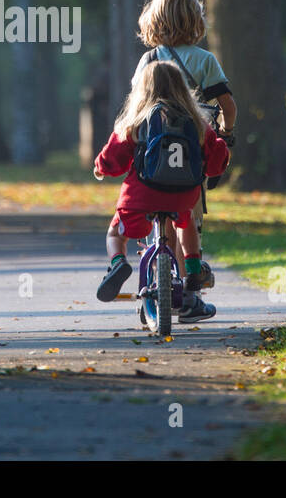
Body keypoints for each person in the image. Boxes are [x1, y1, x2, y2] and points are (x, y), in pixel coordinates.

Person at [93, 60, 231, 322]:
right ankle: (191, 268)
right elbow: (215, 161)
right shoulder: (198, 124)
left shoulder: (135, 122)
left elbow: (113, 159)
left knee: (115, 232)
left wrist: (100, 168)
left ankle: (117, 263)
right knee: (185, 219)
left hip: (142, 196)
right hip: (183, 194)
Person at [130, 0, 237, 314]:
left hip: (154, 149)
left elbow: (137, 104)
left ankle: (160, 279)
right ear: (195, 20)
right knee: (188, 217)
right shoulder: (205, 60)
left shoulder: (149, 59)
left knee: (158, 210)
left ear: (155, 19)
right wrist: (226, 133)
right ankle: (190, 296)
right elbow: (228, 106)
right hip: (192, 152)